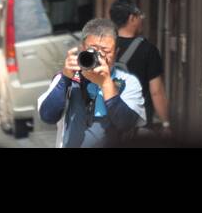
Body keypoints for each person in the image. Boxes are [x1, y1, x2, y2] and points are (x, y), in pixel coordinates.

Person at [37, 16, 145, 148]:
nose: (98, 57)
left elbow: (126, 124)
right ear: (81, 48)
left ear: (116, 53)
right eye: (92, 50)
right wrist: (65, 79)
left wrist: (106, 84)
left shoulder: (128, 82)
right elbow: (48, 116)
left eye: (105, 51)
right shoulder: (68, 77)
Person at [110, 0, 169, 132]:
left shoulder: (104, 46)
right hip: (137, 124)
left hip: (107, 121)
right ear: (132, 18)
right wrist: (166, 123)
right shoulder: (148, 49)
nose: (142, 19)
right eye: (140, 15)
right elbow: (156, 91)